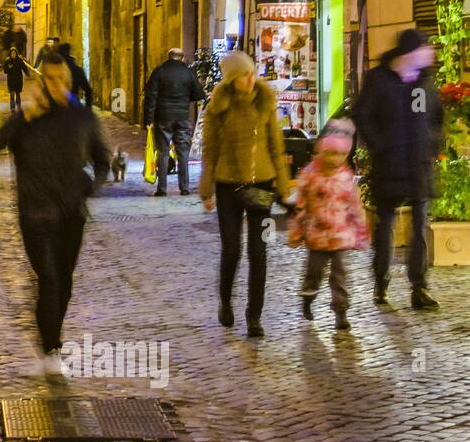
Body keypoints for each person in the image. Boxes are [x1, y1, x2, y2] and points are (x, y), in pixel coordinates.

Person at [0, 54, 111, 375]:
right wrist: (24, 117)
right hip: (35, 212)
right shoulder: (29, 117)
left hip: (71, 212)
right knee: (50, 279)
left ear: (67, 83)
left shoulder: (82, 118)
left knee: (64, 282)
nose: (55, 85)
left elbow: (103, 160)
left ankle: (50, 335)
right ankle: (51, 347)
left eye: (60, 80)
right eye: (49, 79)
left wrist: (90, 186)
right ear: (42, 81)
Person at [199, 50, 292, 339]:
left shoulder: (265, 101)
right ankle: (225, 301)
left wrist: (284, 186)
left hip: (262, 185)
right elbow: (210, 149)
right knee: (232, 250)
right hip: (228, 185)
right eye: (243, 75)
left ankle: (254, 317)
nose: (251, 79)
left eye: (252, 73)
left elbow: (276, 146)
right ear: (231, 79)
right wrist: (206, 189)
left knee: (259, 252)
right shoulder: (219, 107)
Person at [352, 28, 443, 310]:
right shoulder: (379, 79)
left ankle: (419, 287)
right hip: (389, 166)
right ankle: (381, 281)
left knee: (420, 227)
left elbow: (438, 119)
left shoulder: (425, 83)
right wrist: (380, 146)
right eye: (424, 49)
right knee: (385, 225)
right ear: (409, 53)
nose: (430, 54)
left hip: (418, 166)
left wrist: (432, 145)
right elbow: (362, 115)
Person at [287, 119, 370, 332]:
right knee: (314, 271)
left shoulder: (346, 176)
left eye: (341, 155)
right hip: (317, 236)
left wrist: (361, 230)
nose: (336, 159)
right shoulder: (310, 175)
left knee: (340, 275)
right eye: (331, 153)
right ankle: (308, 296)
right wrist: (297, 232)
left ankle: (341, 311)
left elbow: (354, 206)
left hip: (341, 236)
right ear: (322, 152)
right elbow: (301, 207)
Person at [143, 47, 204, 196]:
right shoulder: (189, 73)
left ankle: (162, 188)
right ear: (182, 58)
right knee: (183, 152)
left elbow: (151, 96)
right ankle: (184, 188)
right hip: (183, 117)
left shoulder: (159, 71)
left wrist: (148, 119)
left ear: (169, 57)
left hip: (163, 117)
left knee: (163, 152)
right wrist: (184, 98)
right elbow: (198, 93)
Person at [57, 42, 94, 108]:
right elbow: (88, 90)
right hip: (73, 106)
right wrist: (88, 109)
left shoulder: (54, 69)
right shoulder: (77, 69)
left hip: (57, 108)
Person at [2, 46, 32, 111]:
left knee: (18, 93)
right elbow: (5, 71)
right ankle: (12, 108)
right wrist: (9, 68)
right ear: (10, 54)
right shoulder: (8, 61)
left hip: (18, 79)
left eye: (14, 53)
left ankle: (18, 106)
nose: (13, 55)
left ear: (16, 53)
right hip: (11, 79)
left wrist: (27, 74)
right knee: (12, 94)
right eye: (12, 53)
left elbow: (24, 68)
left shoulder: (19, 60)